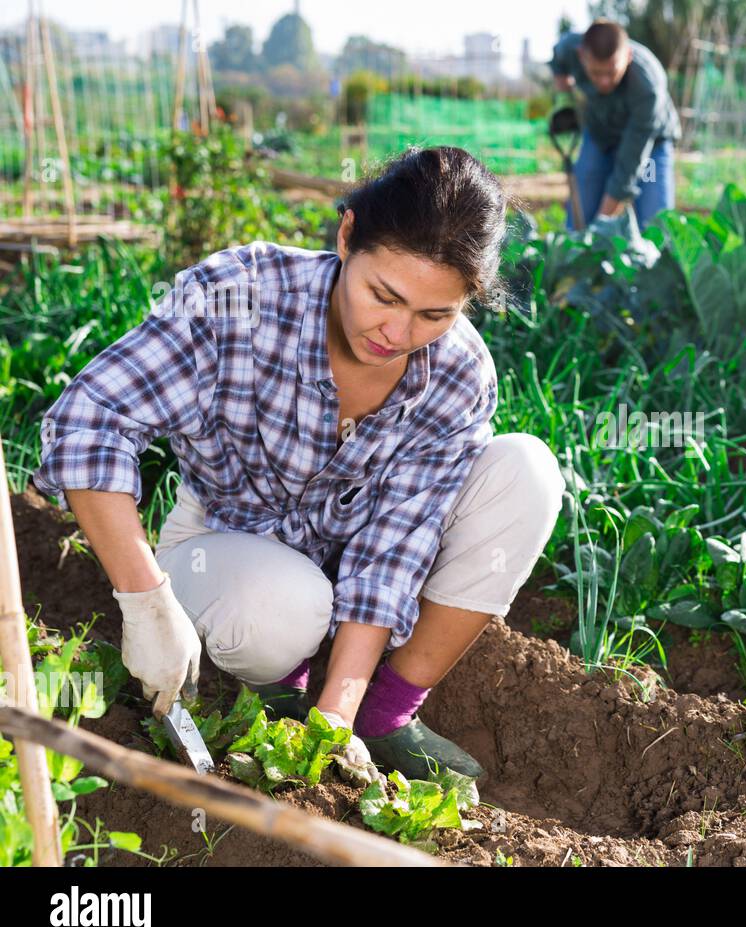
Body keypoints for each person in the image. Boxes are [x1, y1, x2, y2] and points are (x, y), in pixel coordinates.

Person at [32, 146, 566, 784]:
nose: (396, 333)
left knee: (527, 470)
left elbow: (396, 545)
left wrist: (335, 722)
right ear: (347, 237)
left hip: (354, 552)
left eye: (434, 314)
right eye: (383, 296)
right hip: (228, 546)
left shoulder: (455, 372)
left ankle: (385, 713)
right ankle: (281, 687)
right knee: (282, 609)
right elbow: (90, 418)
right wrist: (146, 605)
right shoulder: (240, 297)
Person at [549, 19, 680, 231]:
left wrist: (600, 228)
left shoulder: (647, 86)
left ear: (627, 57)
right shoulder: (570, 48)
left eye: (611, 72)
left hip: (650, 143)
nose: (603, 82)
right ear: (582, 56)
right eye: (596, 73)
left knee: (657, 224)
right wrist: (565, 101)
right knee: (580, 213)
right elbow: (558, 61)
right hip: (601, 136)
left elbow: (628, 169)